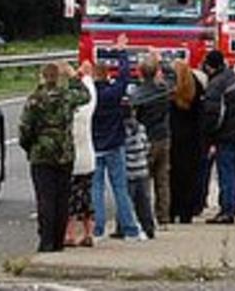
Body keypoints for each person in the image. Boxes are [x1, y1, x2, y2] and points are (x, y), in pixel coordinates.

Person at [18, 61, 90, 253]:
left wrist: (30, 147)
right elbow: (86, 96)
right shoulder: (67, 97)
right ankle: (59, 240)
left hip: (42, 154)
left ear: (43, 77)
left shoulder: (35, 100)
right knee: (62, 198)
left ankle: (46, 240)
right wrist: (75, 77)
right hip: (65, 153)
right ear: (58, 78)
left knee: (45, 198)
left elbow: (25, 129)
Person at [90, 35, 144, 241]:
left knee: (96, 188)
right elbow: (124, 76)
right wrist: (122, 53)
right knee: (120, 188)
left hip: (95, 145)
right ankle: (130, 228)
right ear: (106, 76)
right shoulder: (114, 93)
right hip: (114, 144)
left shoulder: (89, 95)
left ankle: (98, 228)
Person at [201, 49, 235, 224]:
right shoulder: (234, 77)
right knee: (234, 171)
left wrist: (209, 136)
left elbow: (213, 115)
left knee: (226, 172)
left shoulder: (216, 84)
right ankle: (233, 205)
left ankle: (226, 210)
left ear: (209, 66)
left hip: (226, 134)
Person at [130, 52, 172, 227]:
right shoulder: (163, 90)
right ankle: (163, 215)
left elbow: (133, 117)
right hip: (163, 136)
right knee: (162, 180)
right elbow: (172, 76)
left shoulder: (138, 94)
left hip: (146, 138)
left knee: (143, 180)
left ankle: (144, 215)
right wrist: (162, 60)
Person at [65, 61, 97, 248]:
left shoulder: (66, 108)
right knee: (86, 199)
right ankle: (88, 233)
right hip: (87, 158)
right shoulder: (87, 109)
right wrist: (84, 77)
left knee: (69, 199)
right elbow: (91, 93)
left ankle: (69, 234)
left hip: (70, 159)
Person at [168, 58, 204, 224]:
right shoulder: (196, 87)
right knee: (190, 176)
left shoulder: (171, 92)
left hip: (174, 136)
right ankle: (186, 212)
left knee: (172, 176)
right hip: (193, 137)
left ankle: (172, 209)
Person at [123, 105, 156, 240]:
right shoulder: (141, 128)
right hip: (142, 169)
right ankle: (149, 227)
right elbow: (146, 146)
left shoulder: (121, 130)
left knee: (127, 201)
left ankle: (123, 226)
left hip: (128, 170)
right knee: (144, 201)